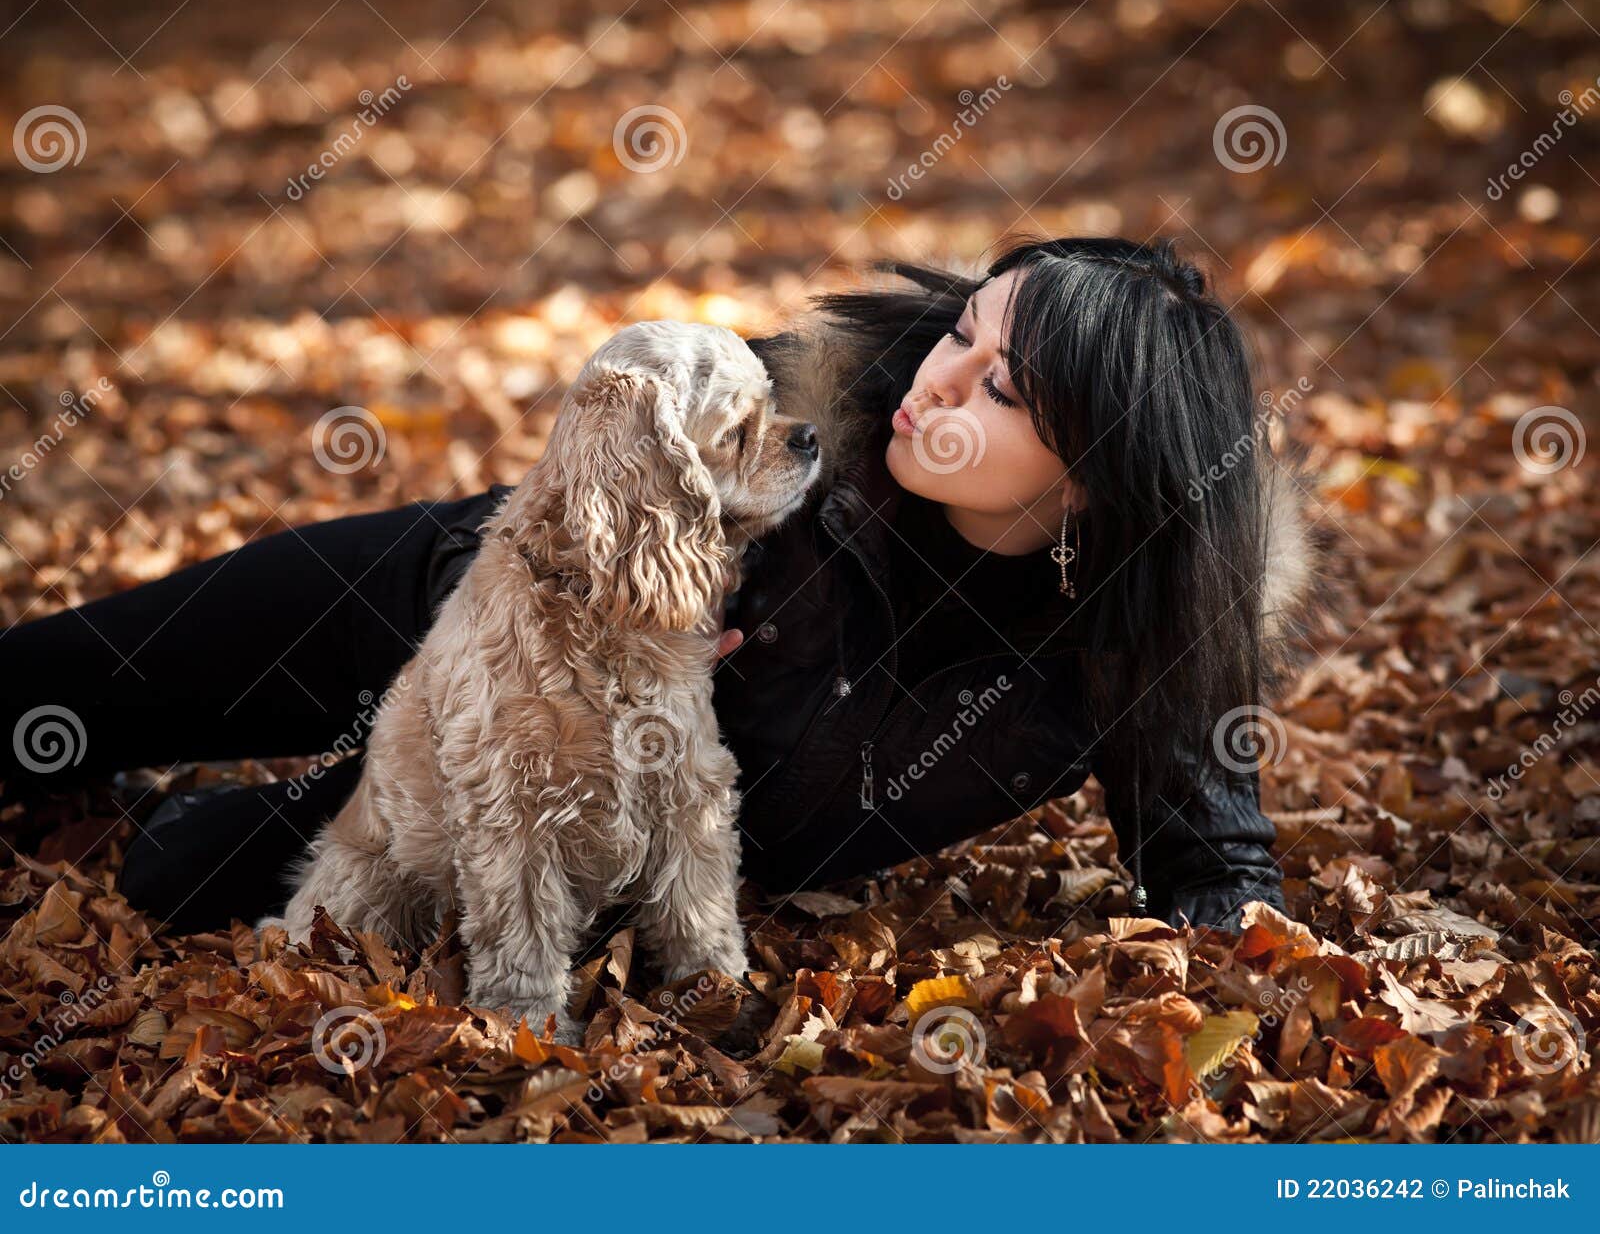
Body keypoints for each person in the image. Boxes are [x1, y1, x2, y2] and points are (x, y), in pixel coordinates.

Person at [0, 235, 1314, 933]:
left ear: (1093, 473)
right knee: (45, 692)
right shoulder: (800, 413)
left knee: (179, 870)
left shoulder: (1141, 635)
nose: (937, 385)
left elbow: (1213, 868)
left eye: (1000, 391)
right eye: (962, 331)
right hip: (433, 603)